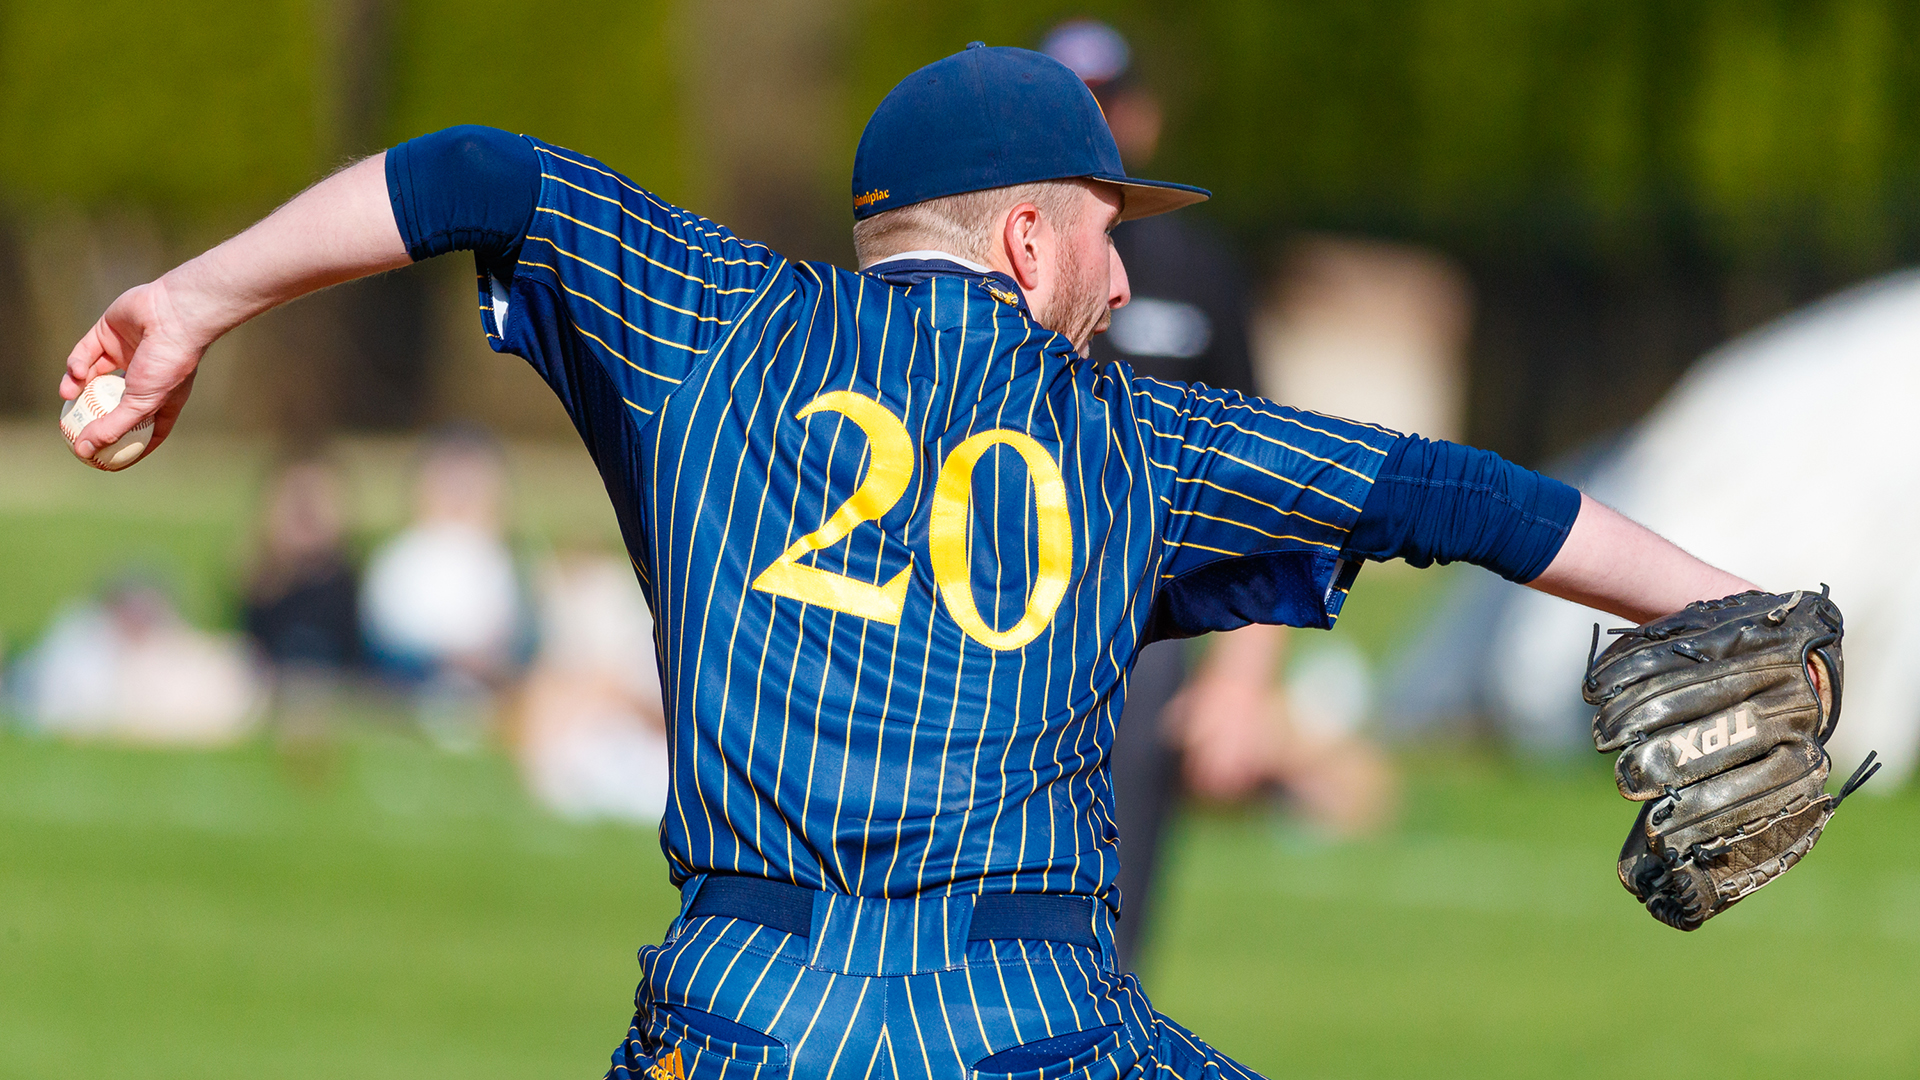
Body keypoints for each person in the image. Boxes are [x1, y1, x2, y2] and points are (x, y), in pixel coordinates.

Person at [63, 43, 1758, 1080]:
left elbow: (470, 176)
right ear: (1026, 237)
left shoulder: (715, 325)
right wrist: (1724, 608)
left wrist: (193, 302)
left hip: (741, 1020)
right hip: (1025, 1030)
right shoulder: (1138, 438)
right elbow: (1456, 495)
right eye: (1107, 229)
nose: (1122, 278)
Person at [1040, 19, 1393, 970]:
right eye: (1066, 109)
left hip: (1138, 639)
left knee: (1102, 949)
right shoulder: (974, 266)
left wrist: (1242, 680)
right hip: (987, 622)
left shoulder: (1198, 271)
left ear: (1143, 117)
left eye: (1104, 107)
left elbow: (1264, 482)